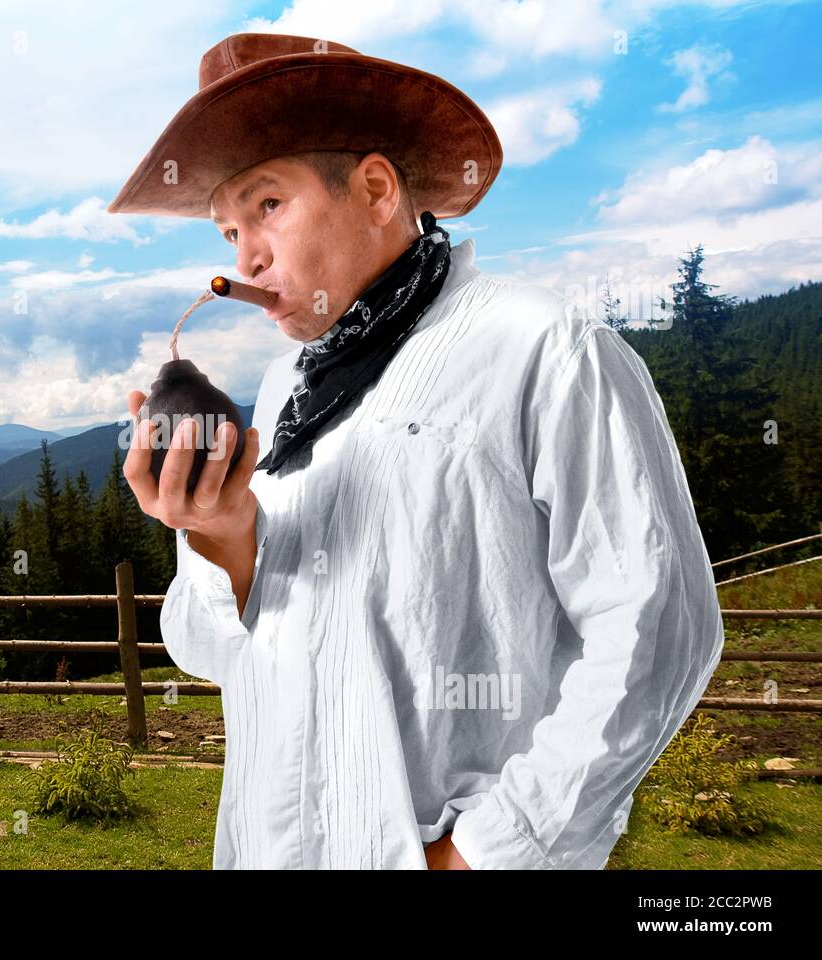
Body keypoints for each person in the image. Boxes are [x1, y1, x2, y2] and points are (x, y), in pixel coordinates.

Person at [109, 33, 724, 869]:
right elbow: (217, 654)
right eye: (225, 232)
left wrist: (491, 852)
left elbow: (654, 629)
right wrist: (222, 538)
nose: (245, 256)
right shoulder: (290, 384)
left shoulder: (543, 347)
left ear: (373, 188)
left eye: (267, 207)